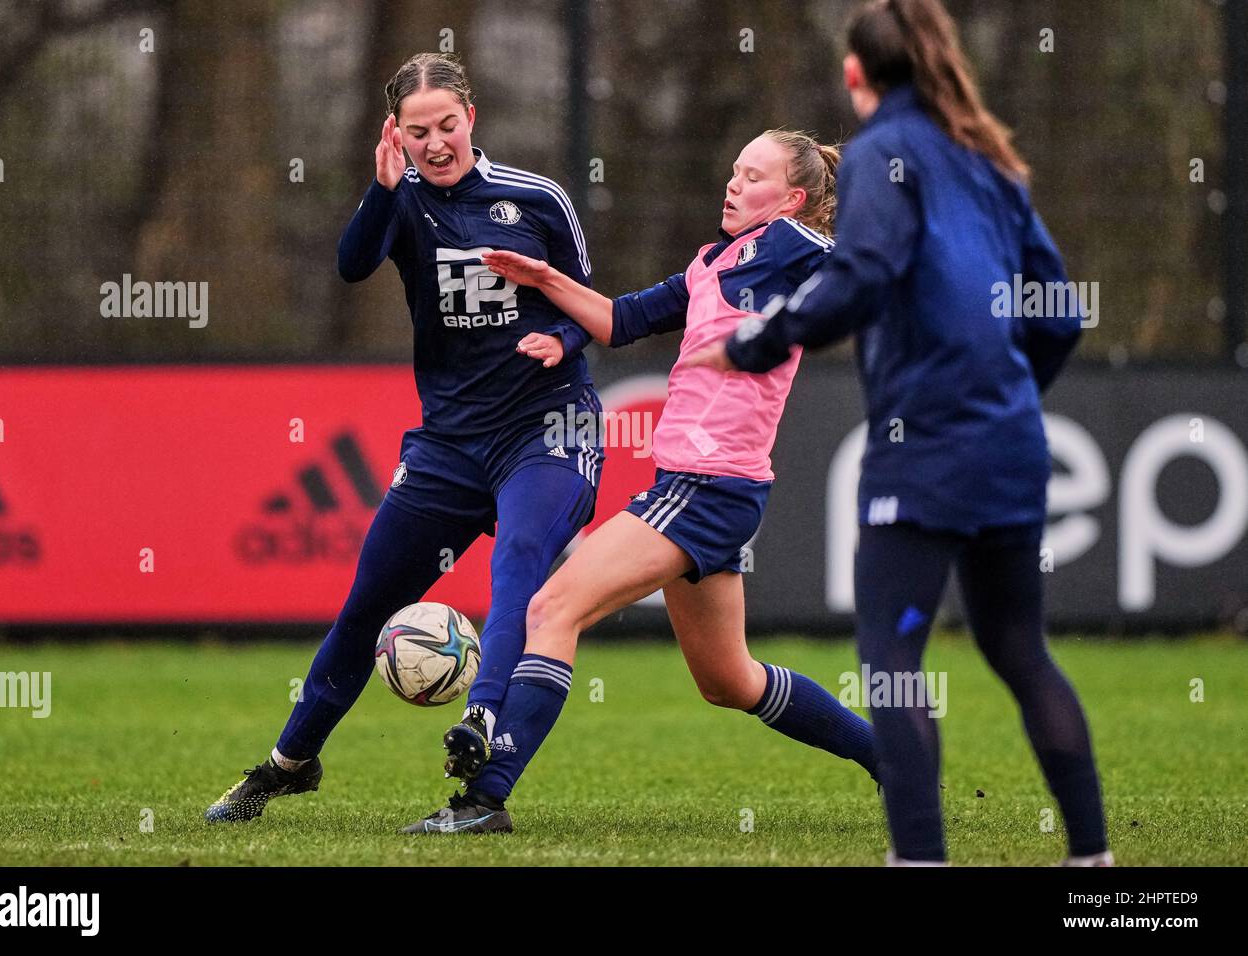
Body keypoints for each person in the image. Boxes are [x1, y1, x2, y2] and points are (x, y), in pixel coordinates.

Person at [688, 0, 1110, 867]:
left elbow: (865, 274)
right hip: (1010, 442)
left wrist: (759, 339)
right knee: (1021, 651)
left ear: (856, 75)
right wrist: (1012, 396)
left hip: (924, 453)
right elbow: (1061, 311)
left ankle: (919, 861)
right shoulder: (986, 157)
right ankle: (1094, 865)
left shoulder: (882, 155)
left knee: (892, 661)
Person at [402, 130, 879, 835]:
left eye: (753, 175)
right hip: (713, 488)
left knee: (553, 607)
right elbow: (620, 321)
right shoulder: (715, 260)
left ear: (792, 200)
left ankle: (483, 801)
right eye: (734, 169)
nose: (734, 183)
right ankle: (892, 755)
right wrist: (544, 279)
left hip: (705, 486)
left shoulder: (789, 246)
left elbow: (865, 269)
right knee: (730, 681)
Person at [206, 52, 605, 822]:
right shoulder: (402, 200)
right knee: (367, 606)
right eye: (418, 131)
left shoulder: (538, 198)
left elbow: (587, 303)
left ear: (471, 120)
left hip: (546, 426)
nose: (435, 143)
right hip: (449, 444)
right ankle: (290, 762)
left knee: (521, 552)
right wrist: (382, 190)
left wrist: (562, 338)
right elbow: (351, 266)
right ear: (396, 132)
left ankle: (483, 717)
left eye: (447, 126)